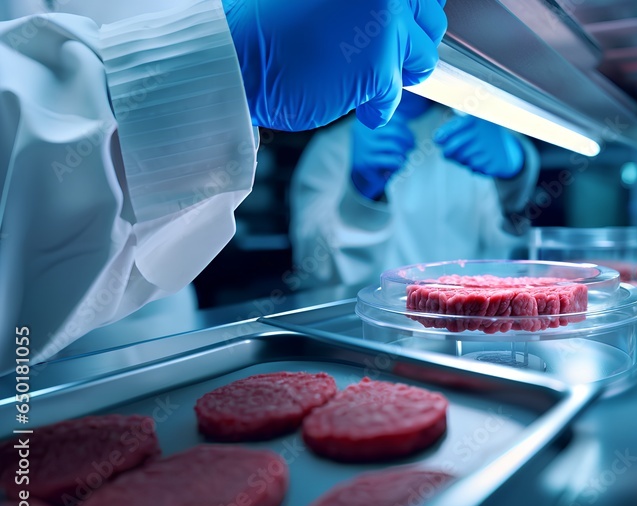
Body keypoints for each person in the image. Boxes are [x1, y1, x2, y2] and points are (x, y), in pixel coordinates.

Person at [0, 0, 448, 363]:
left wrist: (518, 187)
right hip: (40, 368)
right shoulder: (337, 150)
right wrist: (223, 65)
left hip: (167, 337)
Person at [290, 92, 539, 289]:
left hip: (473, 328)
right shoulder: (332, 148)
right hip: (374, 333)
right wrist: (361, 194)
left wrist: (517, 174)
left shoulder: (477, 136)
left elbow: (511, 253)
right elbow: (314, 271)